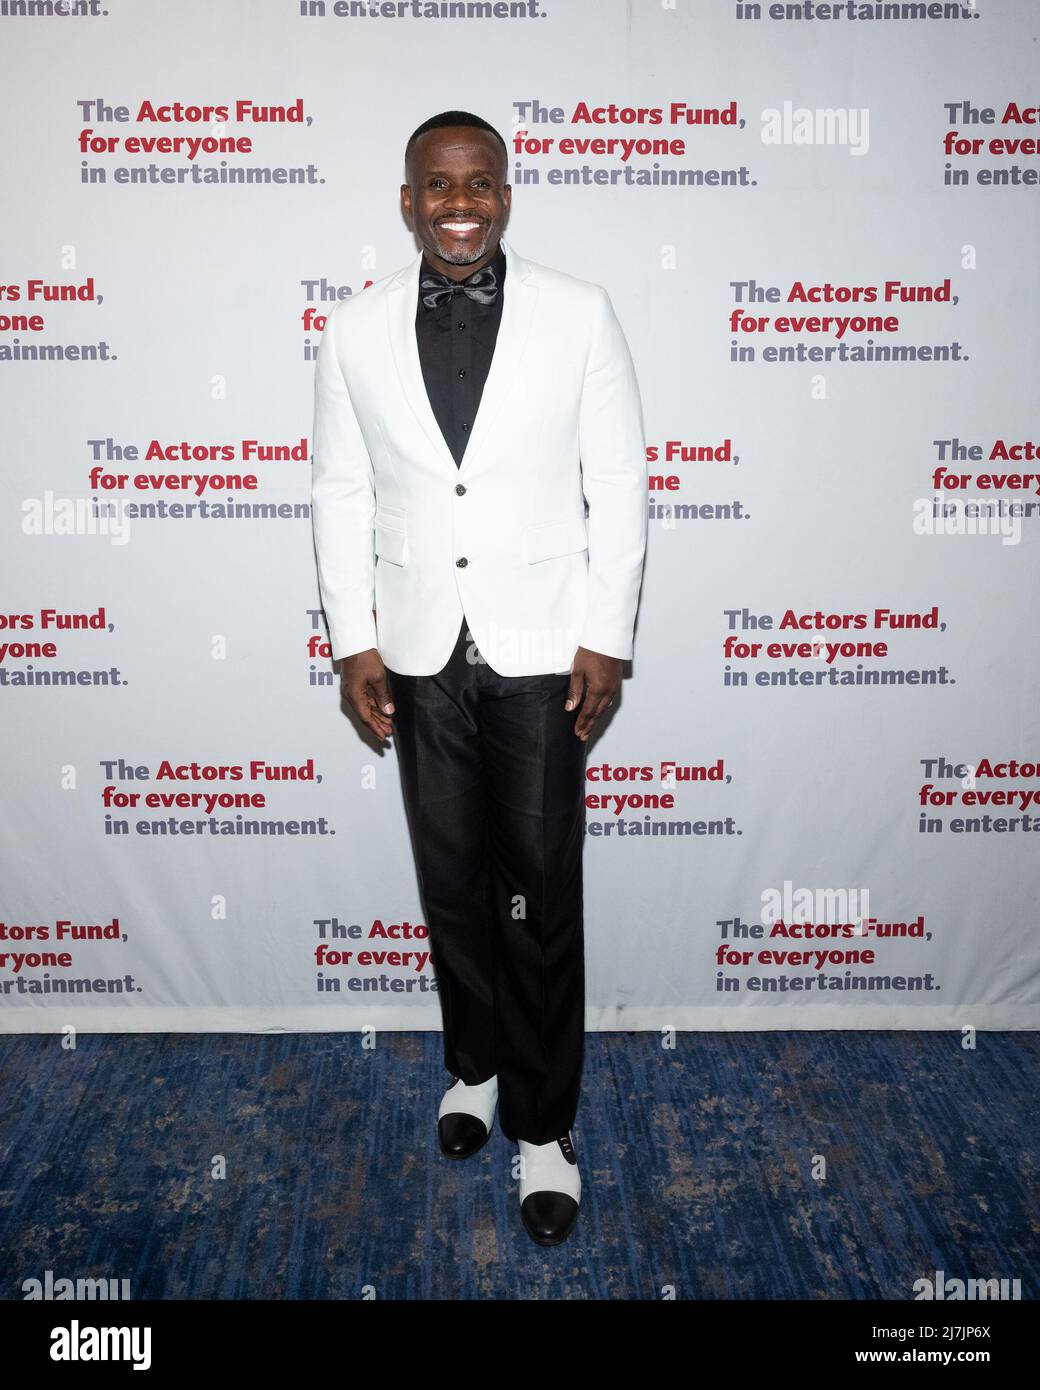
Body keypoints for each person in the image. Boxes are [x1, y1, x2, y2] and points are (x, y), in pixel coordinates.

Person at [311, 110, 648, 1246]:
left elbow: (620, 479)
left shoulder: (578, 310)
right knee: (452, 876)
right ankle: (473, 1065)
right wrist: (353, 637)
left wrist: (606, 631)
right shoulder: (352, 327)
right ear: (405, 199)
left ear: (507, 192)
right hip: (414, 646)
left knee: (538, 892)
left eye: (481, 183)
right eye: (437, 185)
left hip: (543, 642)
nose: (461, 203)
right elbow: (338, 491)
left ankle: (545, 1129)